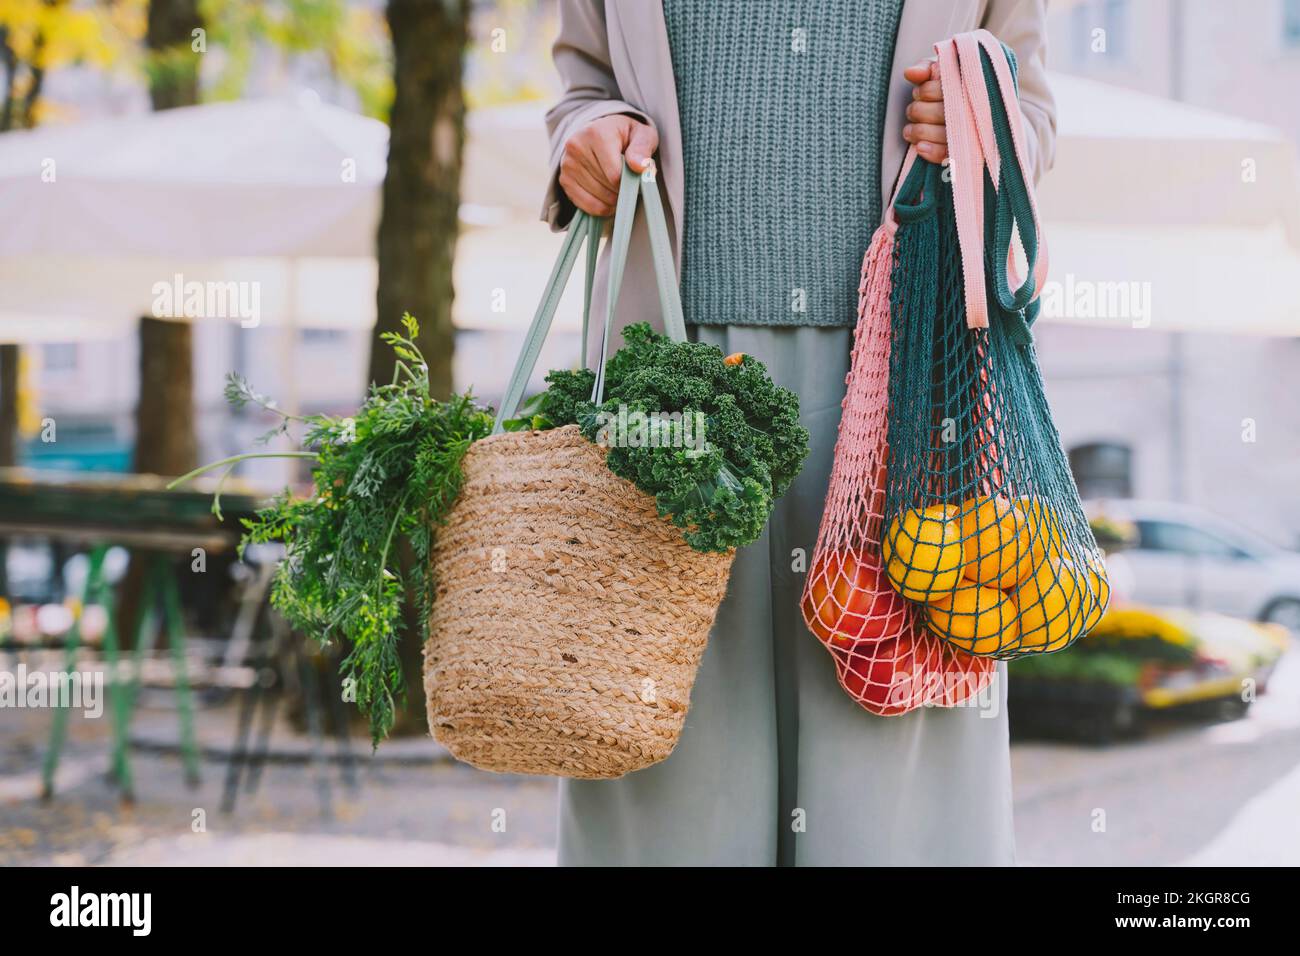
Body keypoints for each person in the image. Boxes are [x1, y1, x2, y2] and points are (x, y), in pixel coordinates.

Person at [542, 0, 1056, 866]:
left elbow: (1032, 115)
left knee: (895, 802)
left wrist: (985, 118)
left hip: (907, 379)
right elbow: (580, 89)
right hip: (671, 391)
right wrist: (587, 137)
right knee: (662, 783)